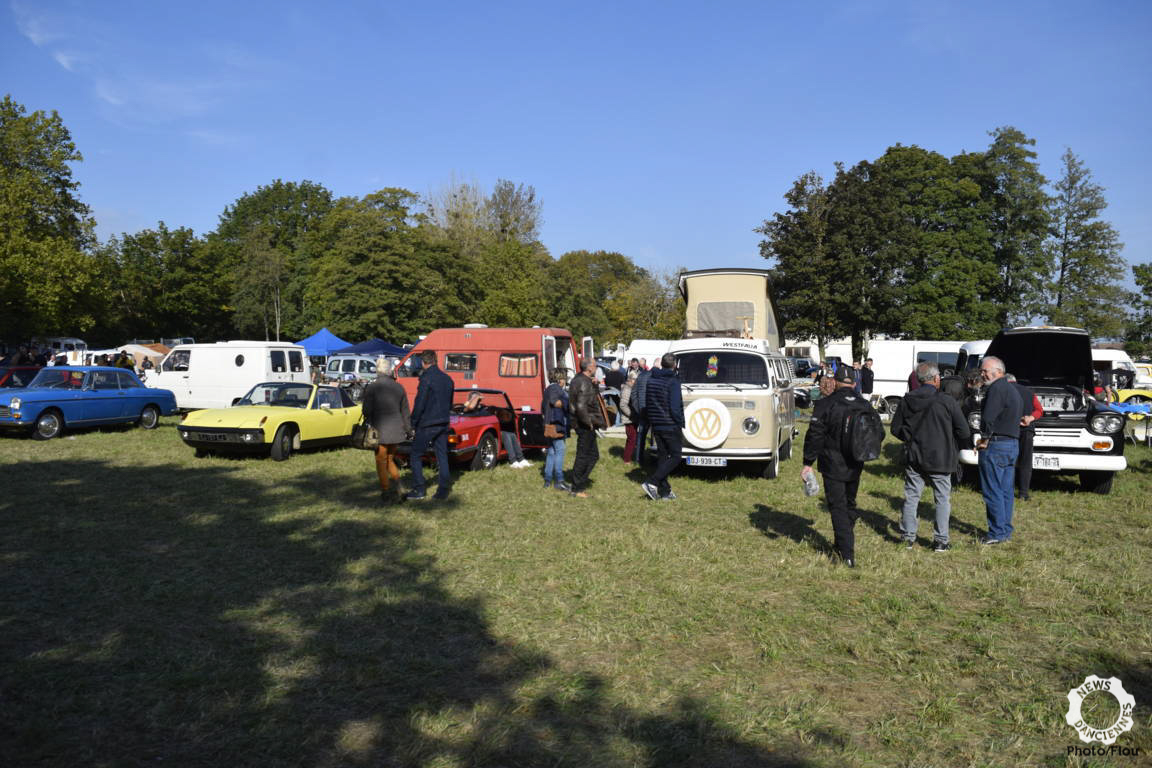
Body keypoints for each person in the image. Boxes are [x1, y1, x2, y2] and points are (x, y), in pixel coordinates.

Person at [890, 363, 971, 552]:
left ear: (918, 379)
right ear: (936, 379)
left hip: (915, 455)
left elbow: (895, 428)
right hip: (941, 456)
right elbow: (963, 430)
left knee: (911, 496)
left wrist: (909, 439)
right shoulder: (947, 400)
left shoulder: (907, 399)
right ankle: (941, 540)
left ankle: (907, 537)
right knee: (942, 498)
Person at [801, 366, 875, 567]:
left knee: (839, 507)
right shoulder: (864, 404)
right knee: (849, 504)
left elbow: (815, 434)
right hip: (855, 462)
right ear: (854, 383)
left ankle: (846, 554)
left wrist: (808, 462)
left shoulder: (826, 404)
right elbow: (878, 432)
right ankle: (842, 542)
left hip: (832, 462)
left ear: (835, 382)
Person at [977, 356, 1023, 544]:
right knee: (1005, 490)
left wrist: (984, 439)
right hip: (1012, 444)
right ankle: (1004, 530)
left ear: (998, 371)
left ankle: (997, 533)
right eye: (982, 371)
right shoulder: (1012, 390)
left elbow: (988, 417)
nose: (982, 374)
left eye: (985, 370)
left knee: (993, 490)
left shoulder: (996, 389)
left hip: (996, 444)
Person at [361, 359, 412, 504]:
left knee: (381, 461)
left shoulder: (372, 387)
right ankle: (400, 486)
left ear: (377, 370)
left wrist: (370, 417)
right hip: (397, 430)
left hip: (380, 430)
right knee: (389, 459)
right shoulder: (399, 387)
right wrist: (408, 429)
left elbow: (366, 410)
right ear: (389, 370)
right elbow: (405, 411)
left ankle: (385, 491)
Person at [407, 350, 454, 501]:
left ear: (423, 362)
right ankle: (443, 490)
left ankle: (419, 489)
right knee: (442, 455)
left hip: (427, 423)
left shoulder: (426, 378)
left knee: (415, 454)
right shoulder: (448, 379)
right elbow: (450, 402)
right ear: (435, 360)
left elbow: (419, 403)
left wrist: (412, 423)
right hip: (443, 421)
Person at [641, 353, 685, 501]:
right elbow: (674, 407)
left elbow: (648, 401)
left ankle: (665, 491)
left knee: (663, 456)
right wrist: (680, 422)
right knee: (676, 456)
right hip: (669, 423)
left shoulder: (652, 378)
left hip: (656, 423)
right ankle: (652, 482)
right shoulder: (673, 381)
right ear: (674, 365)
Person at [568, 357, 606, 498]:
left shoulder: (581, 379)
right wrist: (588, 422)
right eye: (595, 365)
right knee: (583, 456)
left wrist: (594, 385)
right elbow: (580, 406)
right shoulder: (583, 382)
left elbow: (589, 399)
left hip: (584, 423)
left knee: (593, 455)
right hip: (584, 424)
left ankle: (579, 483)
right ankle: (576, 488)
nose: (596, 368)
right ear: (589, 368)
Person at [462, 392, 531, 468]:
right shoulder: (467, 408)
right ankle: (513, 461)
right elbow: (468, 408)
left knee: (512, 434)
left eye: (478, 398)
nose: (479, 399)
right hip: (482, 431)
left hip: (491, 429)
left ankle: (521, 459)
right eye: (477, 398)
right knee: (505, 434)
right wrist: (475, 398)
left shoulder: (482, 408)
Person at [1005, 373, 1042, 501]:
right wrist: (1029, 418)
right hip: (1027, 429)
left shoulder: (1004, 390)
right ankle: (1023, 493)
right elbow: (1039, 410)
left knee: (1010, 460)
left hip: (1010, 430)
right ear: (1016, 381)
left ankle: (1007, 490)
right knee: (1026, 461)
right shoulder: (1029, 392)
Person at [541, 369, 571, 491]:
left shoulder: (548, 389)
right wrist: (568, 401)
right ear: (559, 380)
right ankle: (559, 481)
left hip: (549, 424)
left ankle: (548, 480)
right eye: (564, 379)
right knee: (560, 450)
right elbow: (555, 402)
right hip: (556, 424)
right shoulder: (555, 389)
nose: (565, 381)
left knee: (552, 452)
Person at [629, 364, 652, 467]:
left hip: (642, 411)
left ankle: (638, 459)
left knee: (641, 436)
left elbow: (633, 394)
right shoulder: (657, 376)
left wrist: (637, 409)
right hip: (654, 411)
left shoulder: (641, 375)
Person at [619, 368, 640, 464]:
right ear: (631, 379)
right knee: (632, 439)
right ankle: (627, 459)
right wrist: (632, 415)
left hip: (633, 418)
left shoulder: (631, 388)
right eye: (636, 380)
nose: (637, 382)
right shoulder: (627, 389)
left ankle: (628, 457)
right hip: (629, 418)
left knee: (632, 439)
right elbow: (623, 405)